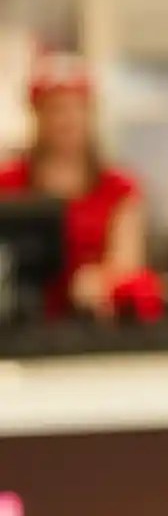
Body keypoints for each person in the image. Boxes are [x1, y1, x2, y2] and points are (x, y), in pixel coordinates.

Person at [0, 55, 152, 320]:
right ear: (36, 113)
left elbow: (127, 262)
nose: (67, 121)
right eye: (56, 109)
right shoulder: (7, 182)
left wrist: (101, 281)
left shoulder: (119, 187)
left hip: (92, 321)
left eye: (76, 109)